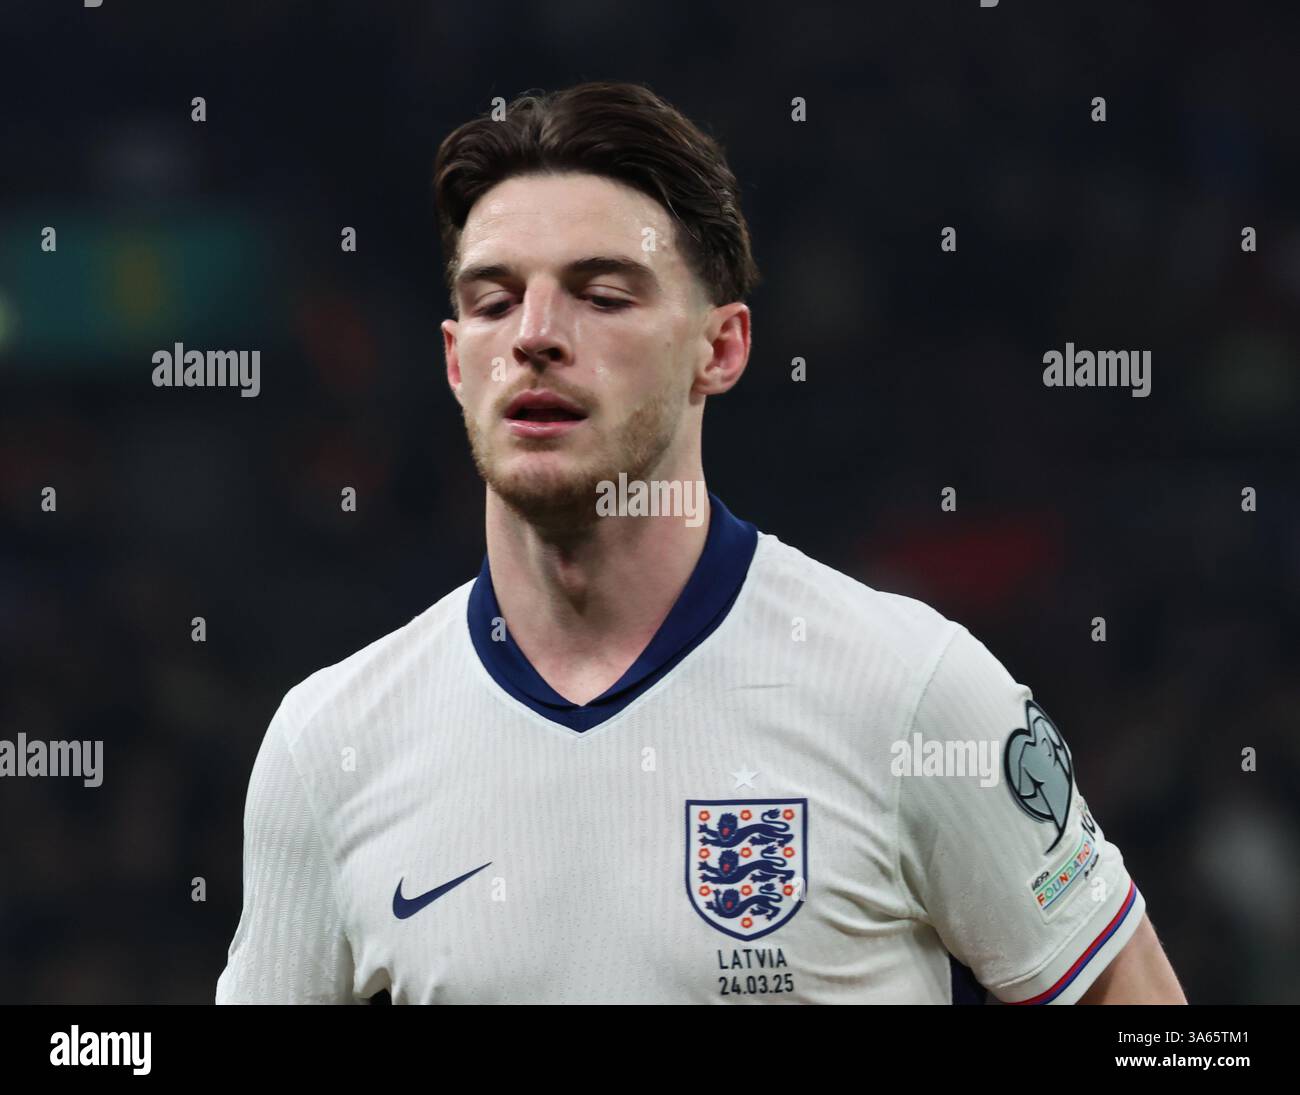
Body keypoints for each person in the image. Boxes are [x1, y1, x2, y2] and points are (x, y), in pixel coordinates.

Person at [216, 81, 1185, 1004]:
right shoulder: (330, 744)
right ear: (453, 359)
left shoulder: (914, 690)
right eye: (494, 300)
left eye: (603, 295)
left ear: (718, 348)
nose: (536, 335)